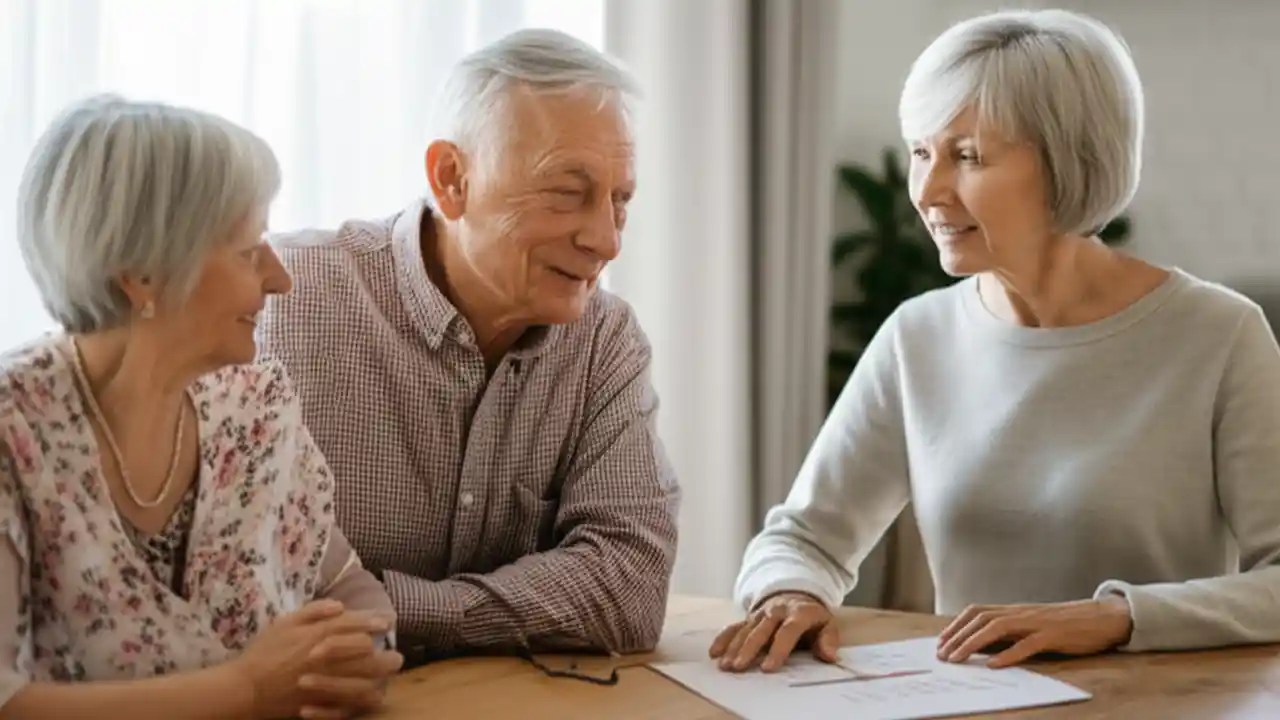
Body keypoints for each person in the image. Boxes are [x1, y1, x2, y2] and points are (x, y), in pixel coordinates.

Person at [712, 9, 1280, 673]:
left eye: (968, 156)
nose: (927, 191)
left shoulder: (1218, 335)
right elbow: (804, 536)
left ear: (1071, 159)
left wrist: (1116, 617)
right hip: (972, 705)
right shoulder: (917, 335)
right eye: (923, 152)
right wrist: (790, 590)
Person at [257, 29, 679, 660]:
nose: (606, 240)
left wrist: (391, 607)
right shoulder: (285, 302)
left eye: (620, 201)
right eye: (569, 193)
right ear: (451, 178)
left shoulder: (604, 339)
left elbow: (630, 585)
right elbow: (241, 590)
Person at [1, 95, 402, 719]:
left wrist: (351, 662)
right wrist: (246, 692)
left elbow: (348, 589)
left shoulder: (254, 407)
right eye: (249, 251)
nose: (280, 278)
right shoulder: (13, 432)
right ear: (143, 277)